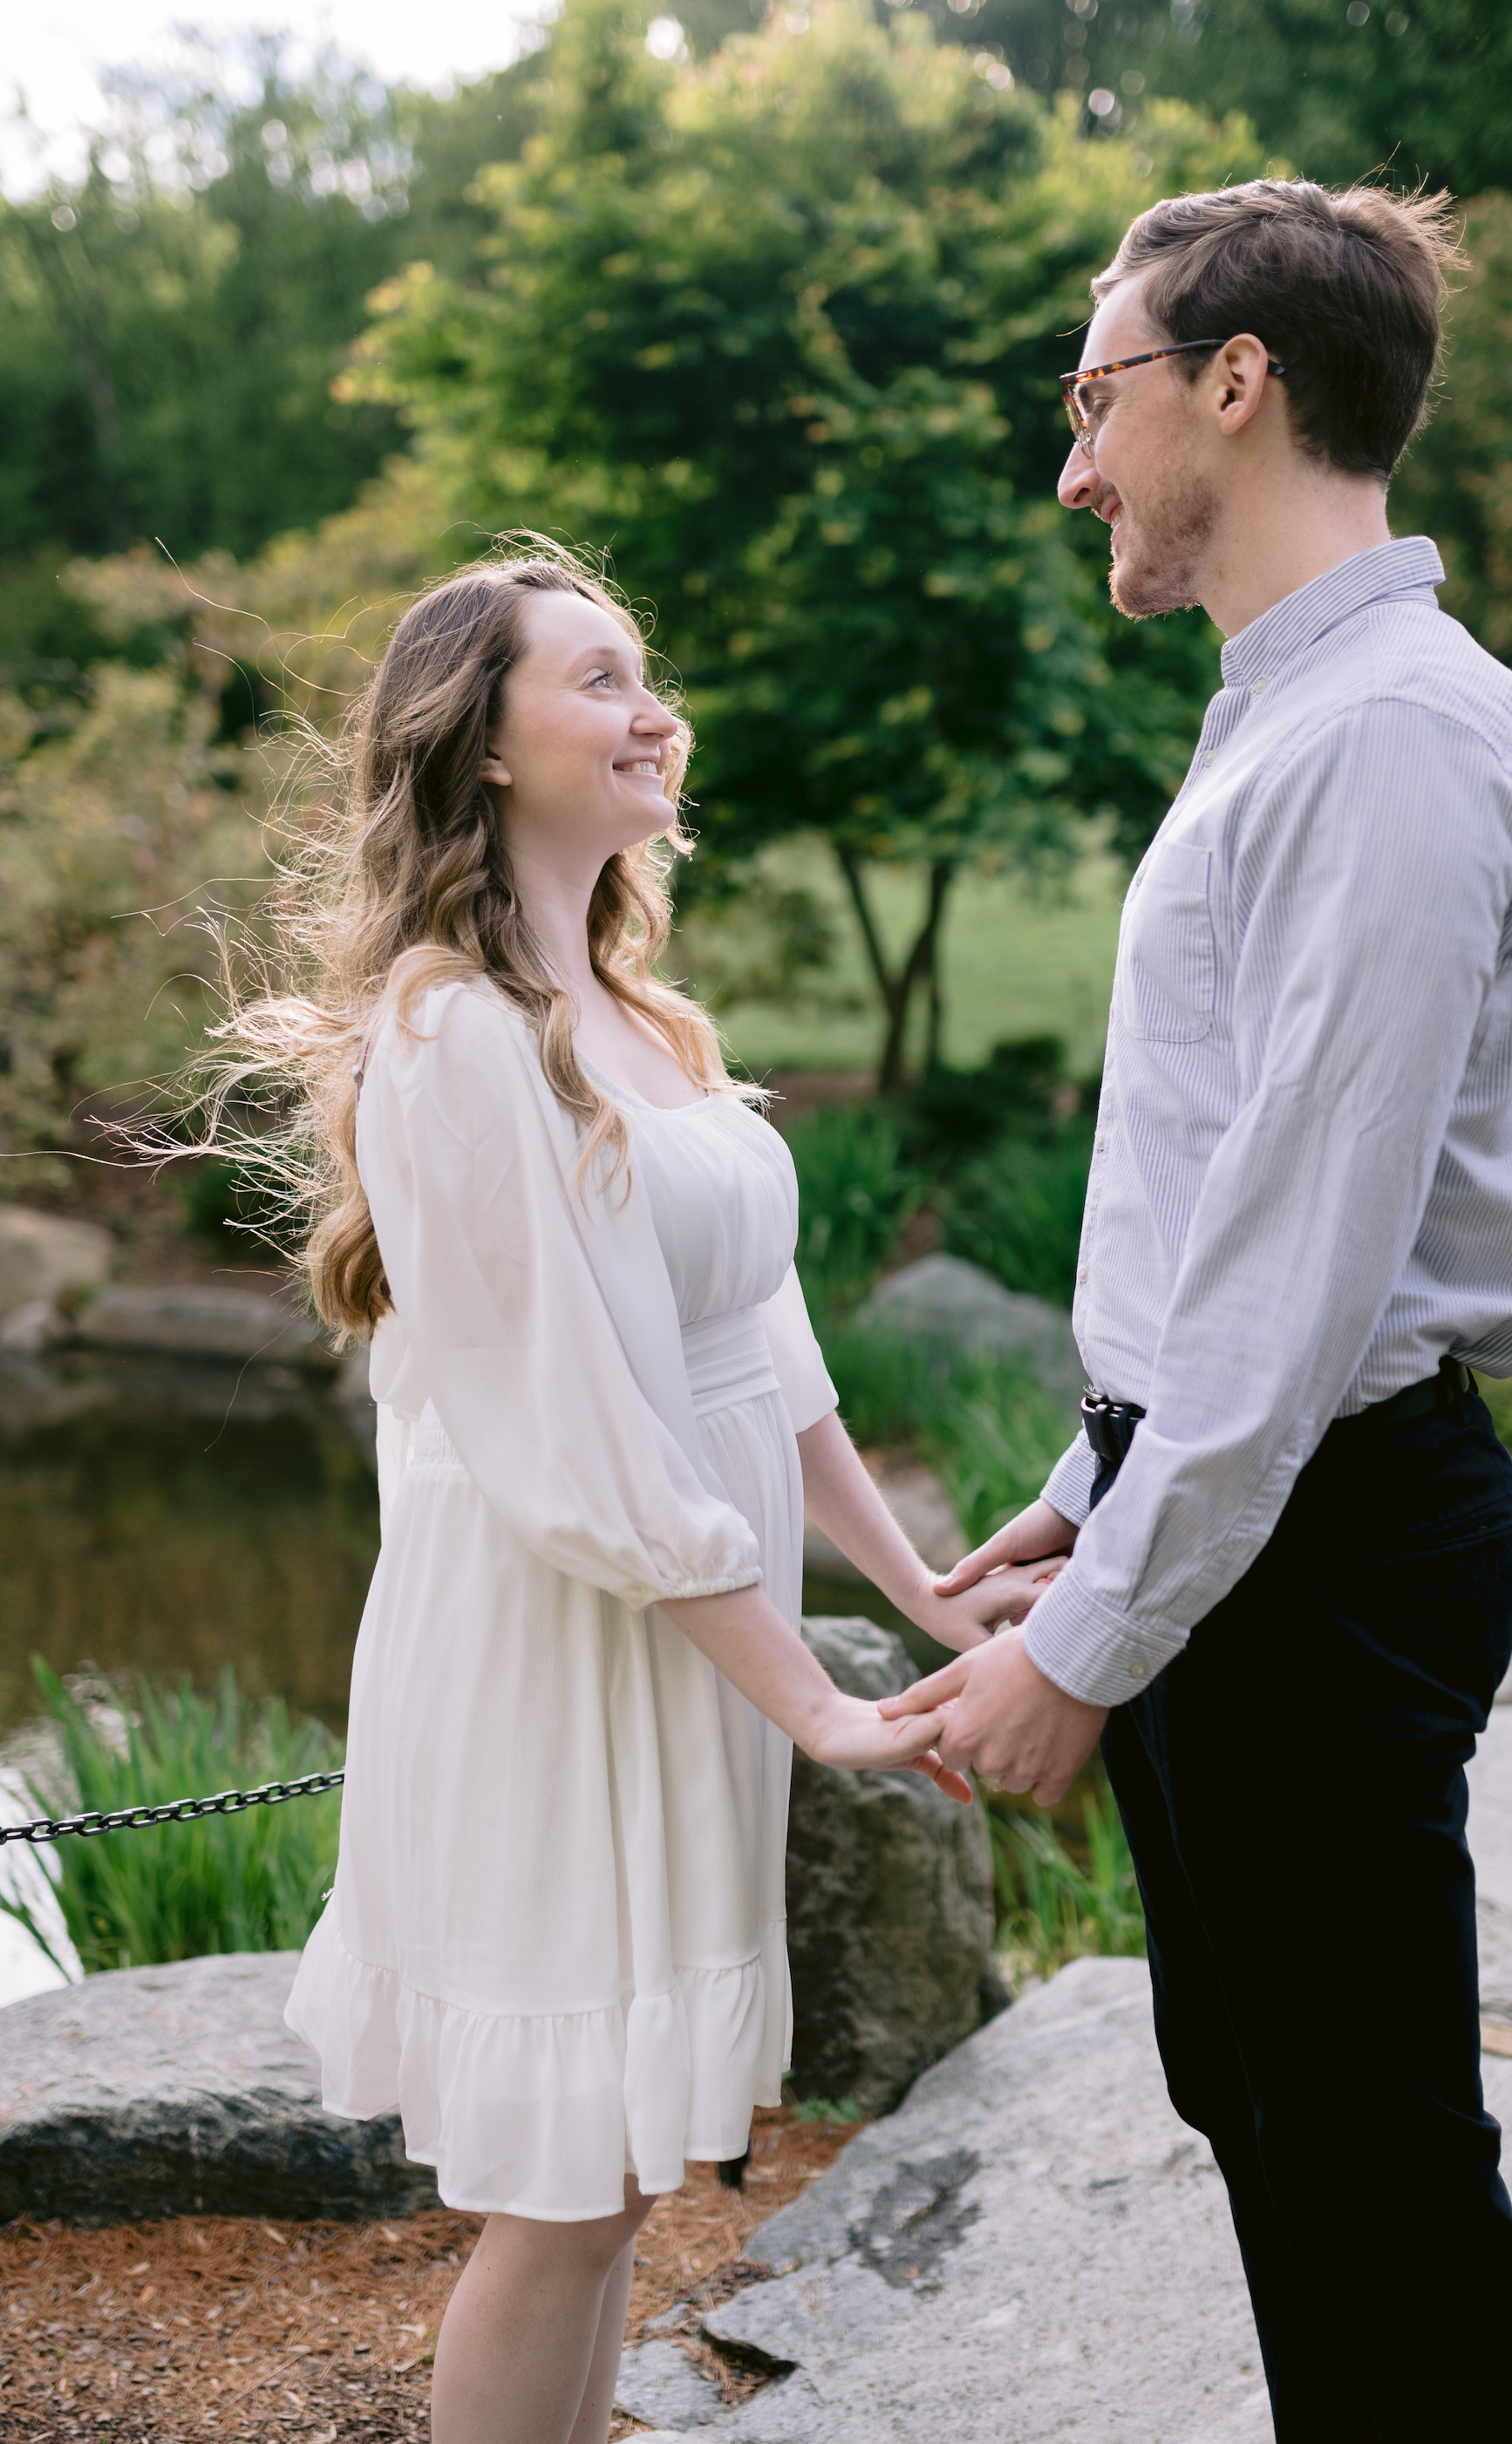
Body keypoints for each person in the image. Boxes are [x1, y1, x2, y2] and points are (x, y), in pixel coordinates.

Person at [883, 180, 1512, 2441]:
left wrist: (1087, 1650)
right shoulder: (1300, 708)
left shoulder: (1386, 735)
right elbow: (1227, 1215)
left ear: (1235, 381)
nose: (1072, 462)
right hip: (1251, 1513)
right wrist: (1092, 1493)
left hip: (1328, 1544)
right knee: (1273, 2124)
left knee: (1370, 2166)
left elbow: (1299, 1276)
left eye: (1093, 396)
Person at [215, 546, 1050, 2444]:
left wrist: (919, 1592)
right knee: (564, 2191)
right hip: (553, 1654)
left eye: (644, 674)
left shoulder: (643, 1020)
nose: (650, 710)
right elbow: (579, 1445)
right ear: (483, 744)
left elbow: (770, 1359)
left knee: (615, 2192)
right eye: (597, 679)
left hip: (690, 1643)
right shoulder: (448, 1033)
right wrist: (819, 1698)